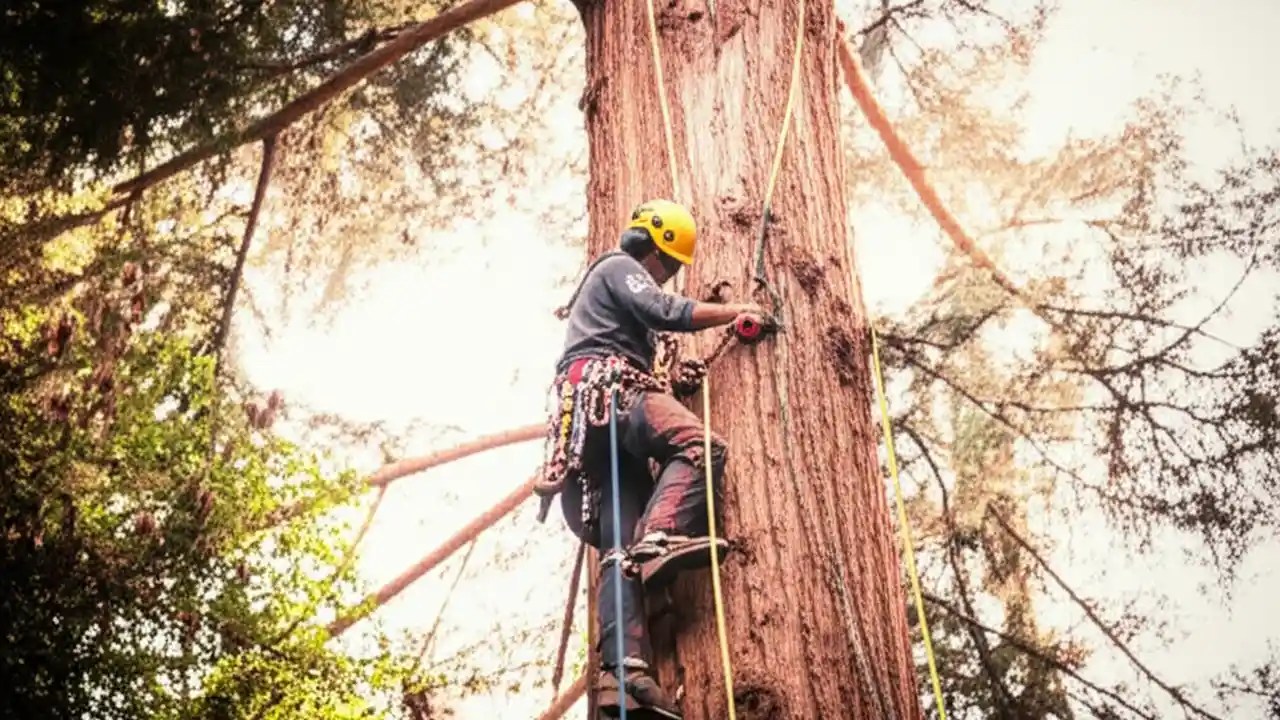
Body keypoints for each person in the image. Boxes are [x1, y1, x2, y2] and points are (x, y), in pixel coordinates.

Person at [540, 199, 768, 718]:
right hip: (610, 393)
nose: (665, 277)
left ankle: (623, 676)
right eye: (667, 266)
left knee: (620, 547)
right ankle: (662, 537)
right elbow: (663, 311)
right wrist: (737, 310)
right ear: (655, 245)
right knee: (701, 447)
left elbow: (644, 332)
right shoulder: (618, 267)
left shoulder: (612, 313)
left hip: (595, 434)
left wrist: (670, 379)